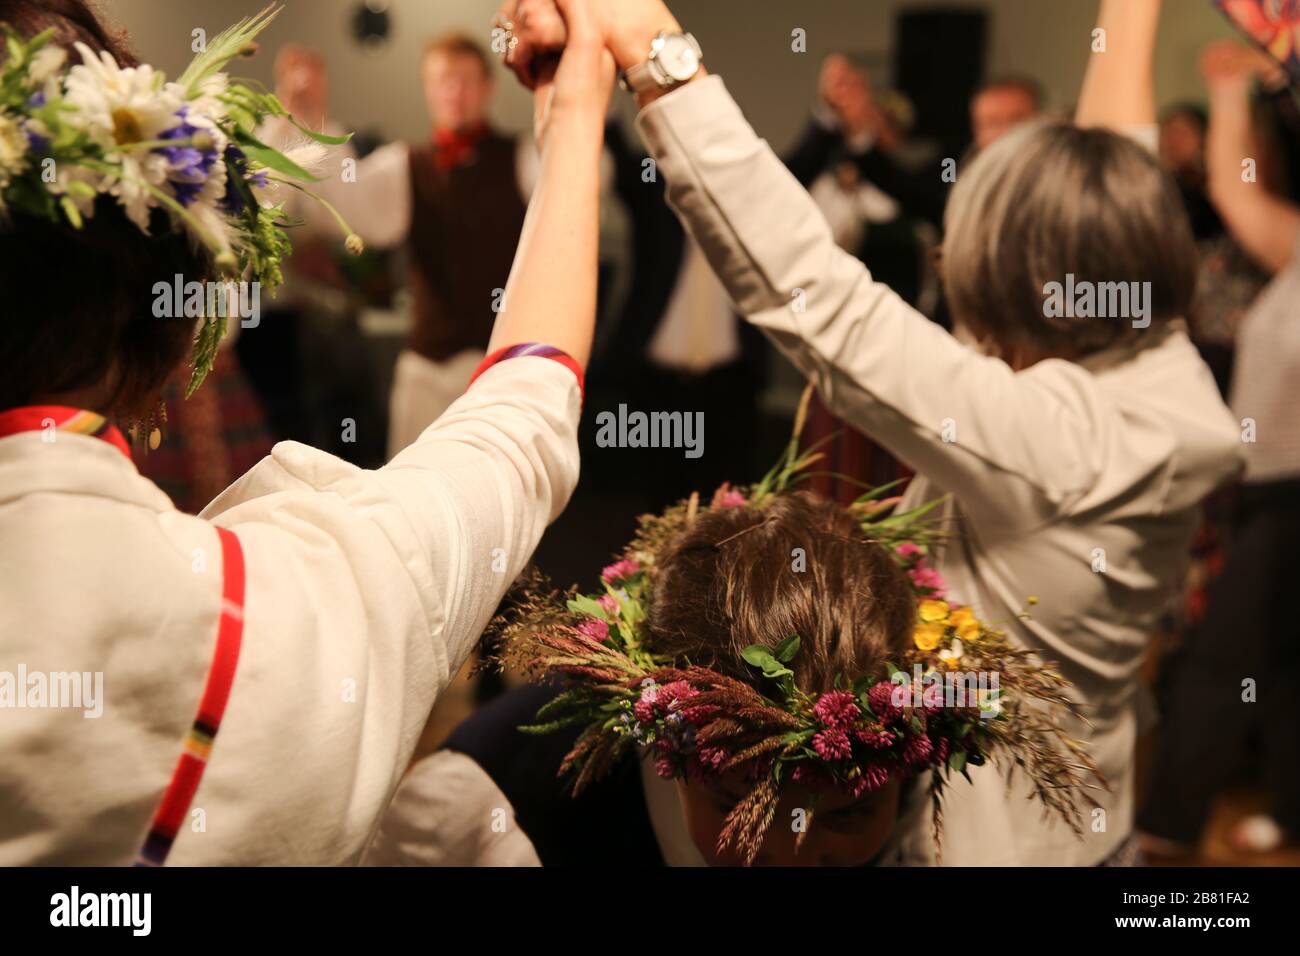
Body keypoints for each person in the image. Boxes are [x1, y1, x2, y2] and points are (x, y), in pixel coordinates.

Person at [503, 0, 1244, 865]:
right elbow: (1119, 163)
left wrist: (650, 48)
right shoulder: (1156, 355)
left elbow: (823, 303)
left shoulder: (1060, 447)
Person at [0, 0, 611, 864]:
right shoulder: (307, 612)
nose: (456, 92)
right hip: (443, 371)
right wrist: (579, 109)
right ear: (161, 325)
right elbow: (521, 421)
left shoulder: (510, 162)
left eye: (466, 77)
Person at [366, 458, 1103, 866]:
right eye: (735, 804)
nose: (789, 856)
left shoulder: (901, 740)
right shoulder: (486, 810)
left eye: (849, 815)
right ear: (660, 735)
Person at [1139, 39, 1300, 859]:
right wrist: (1236, 91)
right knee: (1275, 662)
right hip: (1269, 484)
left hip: (1295, 490)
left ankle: (1162, 839)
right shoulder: (1295, 244)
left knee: (1221, 657)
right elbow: (1235, 193)